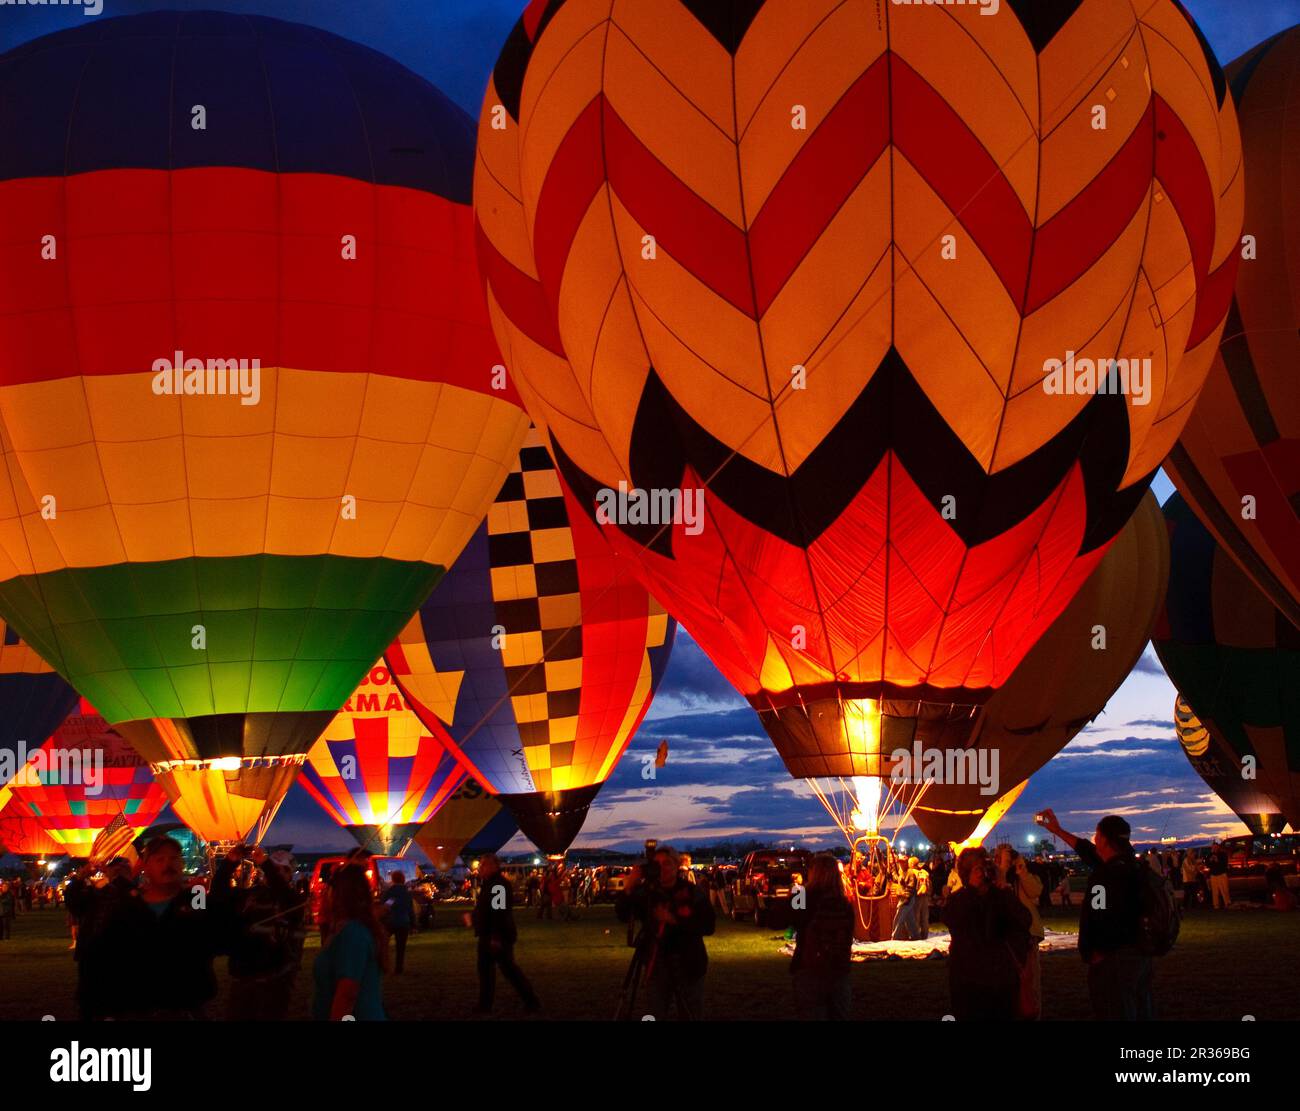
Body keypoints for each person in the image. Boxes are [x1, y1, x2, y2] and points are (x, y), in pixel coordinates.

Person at [74, 837, 238, 1020]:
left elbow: (214, 927)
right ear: (145, 865)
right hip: (137, 1009)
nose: (168, 864)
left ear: (182, 863)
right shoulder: (129, 906)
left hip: (186, 1008)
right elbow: (105, 960)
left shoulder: (193, 899)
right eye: (160, 859)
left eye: (174, 858)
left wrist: (227, 867)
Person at [1037, 809, 1153, 1021]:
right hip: (1140, 952)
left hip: (1112, 957)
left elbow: (1098, 915)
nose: (1094, 840)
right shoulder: (1135, 866)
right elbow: (1088, 851)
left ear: (1105, 840)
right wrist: (1057, 830)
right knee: (1138, 1005)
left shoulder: (1105, 877)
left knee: (1115, 1009)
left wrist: (1096, 951)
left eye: (1097, 836)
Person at [616, 844, 716, 1020]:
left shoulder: (692, 892)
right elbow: (623, 915)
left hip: (688, 965)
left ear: (677, 866)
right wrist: (628, 888)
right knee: (654, 1013)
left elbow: (708, 925)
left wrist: (674, 920)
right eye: (657, 864)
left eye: (667, 863)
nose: (662, 868)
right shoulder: (647, 892)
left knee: (690, 1013)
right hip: (657, 965)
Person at [942, 846, 1032, 1021]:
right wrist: (973, 891)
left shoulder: (1000, 895)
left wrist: (1004, 886)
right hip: (970, 982)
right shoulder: (958, 900)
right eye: (979, 869)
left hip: (999, 980)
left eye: (985, 868)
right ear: (967, 873)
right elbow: (954, 919)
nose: (984, 873)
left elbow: (1024, 920)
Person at [224, 847, 309, 1021]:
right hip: (244, 975)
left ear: (290, 873)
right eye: (273, 868)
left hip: (275, 977)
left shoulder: (293, 900)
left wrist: (266, 864)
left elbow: (283, 894)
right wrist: (228, 864)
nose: (275, 873)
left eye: (281, 869)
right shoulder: (251, 895)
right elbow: (221, 897)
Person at [312, 864, 387, 1020]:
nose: (325, 894)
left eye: (329, 889)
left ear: (339, 894)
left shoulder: (353, 933)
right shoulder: (343, 930)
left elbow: (347, 994)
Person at [473, 853, 541, 1015]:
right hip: (489, 934)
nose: (479, 868)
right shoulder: (490, 884)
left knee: (507, 970)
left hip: (496, 936)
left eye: (483, 865)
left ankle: (531, 1001)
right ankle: (485, 1005)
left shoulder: (498, 886)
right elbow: (488, 909)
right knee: (489, 971)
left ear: (493, 866)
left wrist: (496, 936)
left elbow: (499, 912)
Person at [789, 854, 854, 1020]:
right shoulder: (844, 903)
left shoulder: (803, 896)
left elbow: (784, 918)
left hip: (809, 968)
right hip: (839, 969)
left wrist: (796, 895)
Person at [995, 844, 1044, 1019]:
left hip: (1027, 936)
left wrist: (1021, 870)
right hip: (1004, 938)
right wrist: (1002, 869)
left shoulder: (1022, 875)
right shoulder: (994, 876)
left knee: (1030, 983)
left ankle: (1032, 1014)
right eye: (1005, 856)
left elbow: (1035, 891)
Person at [380, 871, 415, 974]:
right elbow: (410, 910)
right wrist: (413, 924)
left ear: (393, 879)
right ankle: (398, 968)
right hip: (403, 922)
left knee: (383, 945)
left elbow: (384, 906)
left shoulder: (389, 892)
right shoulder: (407, 893)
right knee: (400, 947)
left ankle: (383, 966)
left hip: (389, 922)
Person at [890, 856, 918, 940]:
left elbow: (911, 887)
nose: (900, 864)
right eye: (900, 862)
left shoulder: (910, 873)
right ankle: (916, 937)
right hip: (903, 899)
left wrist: (906, 897)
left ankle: (894, 938)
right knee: (910, 921)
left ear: (906, 863)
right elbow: (897, 879)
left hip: (906, 899)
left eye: (902, 862)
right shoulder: (902, 872)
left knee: (898, 919)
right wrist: (892, 871)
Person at [912, 857, 931, 940]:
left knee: (916, 916)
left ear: (912, 864)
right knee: (925, 916)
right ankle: (925, 935)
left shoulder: (912, 872)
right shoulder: (924, 872)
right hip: (925, 896)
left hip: (917, 895)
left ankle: (916, 936)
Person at [1206, 844, 1231, 909]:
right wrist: (1210, 860)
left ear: (1218, 847)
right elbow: (1207, 864)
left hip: (1221, 874)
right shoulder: (1209, 855)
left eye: (1215, 847)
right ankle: (1216, 905)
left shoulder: (1223, 854)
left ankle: (1227, 903)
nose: (1214, 848)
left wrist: (1217, 860)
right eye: (1213, 847)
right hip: (1213, 875)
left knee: (1224, 890)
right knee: (1215, 891)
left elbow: (1224, 864)